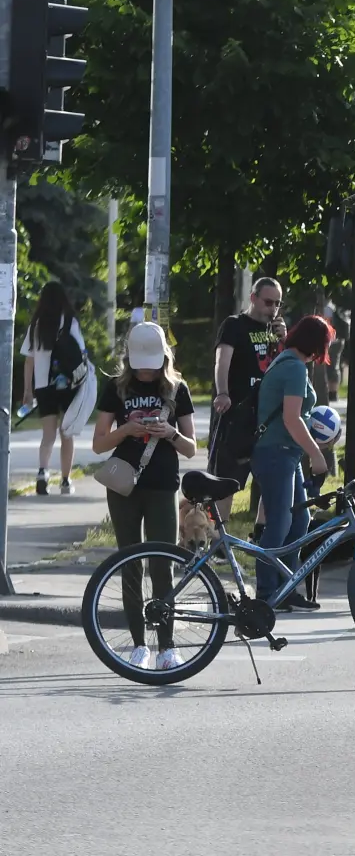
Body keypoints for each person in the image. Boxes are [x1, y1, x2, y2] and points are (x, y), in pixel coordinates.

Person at [92, 322, 197, 671]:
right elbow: (98, 444)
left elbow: (191, 448)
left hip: (163, 484)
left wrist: (169, 433)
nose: (146, 372)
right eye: (140, 365)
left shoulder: (176, 389)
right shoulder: (116, 387)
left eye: (151, 364)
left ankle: (167, 646)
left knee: (162, 564)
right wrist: (126, 429)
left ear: (164, 357)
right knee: (130, 564)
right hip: (124, 485)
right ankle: (139, 644)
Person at [252, 316, 334, 611]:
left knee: (300, 520)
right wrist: (317, 455)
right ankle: (266, 592)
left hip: (285, 453)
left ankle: (286, 586)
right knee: (280, 523)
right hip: (277, 452)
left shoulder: (284, 361)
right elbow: (291, 418)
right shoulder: (295, 368)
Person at [212, 277, 286, 521]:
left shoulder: (275, 331)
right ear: (253, 298)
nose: (273, 309)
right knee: (227, 479)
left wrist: (285, 340)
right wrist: (222, 392)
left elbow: (289, 367)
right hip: (239, 413)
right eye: (268, 302)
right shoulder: (234, 325)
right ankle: (218, 534)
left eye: (277, 304)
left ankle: (262, 533)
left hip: (267, 416)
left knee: (270, 479)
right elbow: (222, 361)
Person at [22, 282, 88, 496]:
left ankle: (42, 473)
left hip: (43, 386)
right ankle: (66, 481)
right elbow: (81, 352)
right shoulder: (70, 322)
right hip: (68, 385)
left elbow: (29, 361)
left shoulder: (36, 325)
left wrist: (27, 391)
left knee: (48, 435)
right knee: (66, 434)